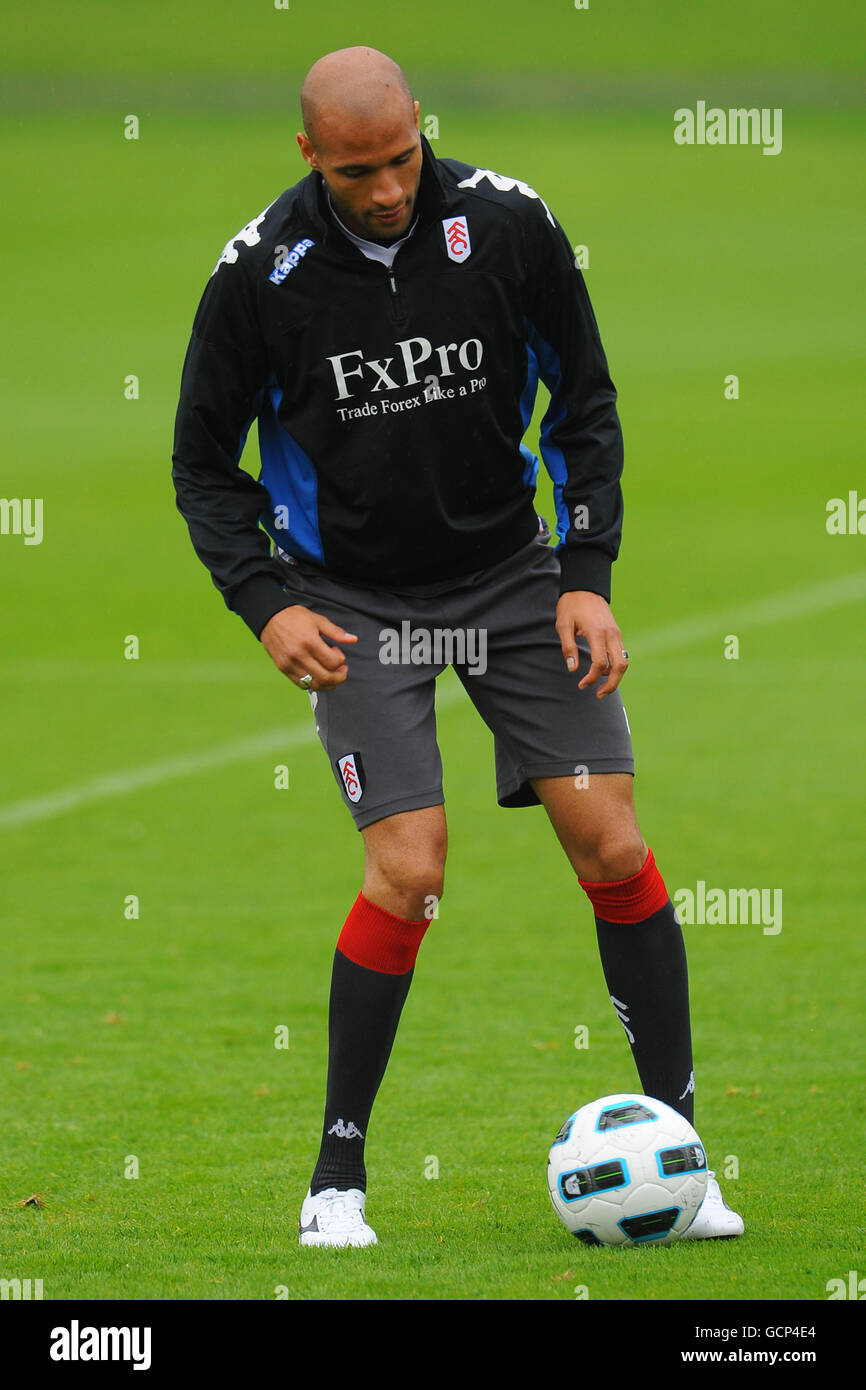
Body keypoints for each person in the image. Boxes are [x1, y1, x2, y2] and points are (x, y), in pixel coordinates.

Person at [172, 46, 743, 1248]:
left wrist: (583, 579)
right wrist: (266, 603)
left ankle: (681, 1157)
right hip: (353, 604)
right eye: (354, 171)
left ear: (420, 128)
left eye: (398, 159)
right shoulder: (255, 278)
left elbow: (582, 404)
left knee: (614, 841)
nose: (385, 190)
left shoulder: (510, 225)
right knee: (408, 872)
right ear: (308, 155)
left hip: (512, 582)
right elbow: (200, 466)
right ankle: (336, 1181)